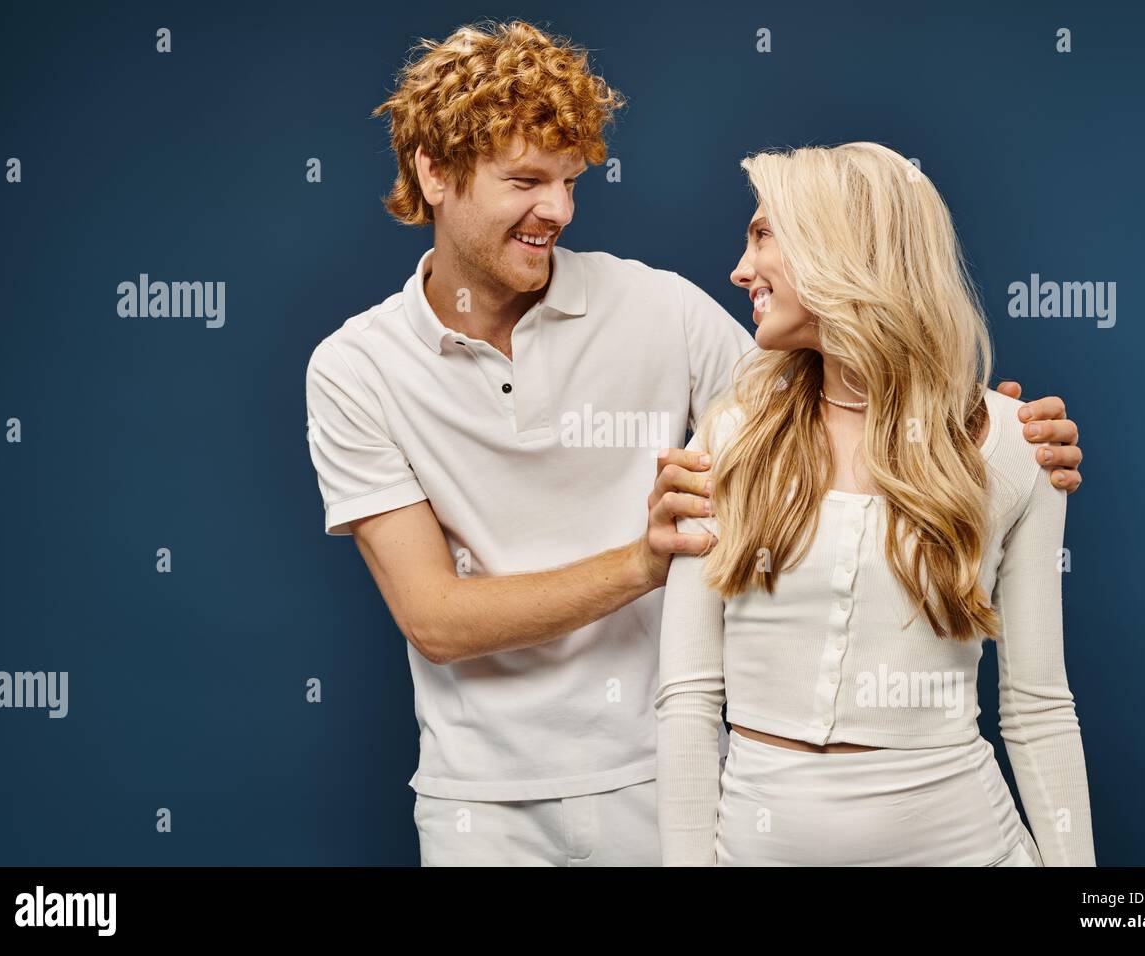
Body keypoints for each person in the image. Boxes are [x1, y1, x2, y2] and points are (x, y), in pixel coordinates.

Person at [304, 20, 1085, 867]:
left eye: (570, 181)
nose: (558, 210)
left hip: (662, 774)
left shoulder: (661, 310)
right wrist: (645, 562)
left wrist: (978, 431)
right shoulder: (357, 368)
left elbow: (827, 388)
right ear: (434, 172)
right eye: (526, 180)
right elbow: (436, 620)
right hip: (481, 801)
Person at [655, 142, 1095, 867]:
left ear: (843, 247)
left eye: (763, 235)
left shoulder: (1020, 447)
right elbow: (689, 697)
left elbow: (1040, 707)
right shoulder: (728, 436)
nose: (739, 269)